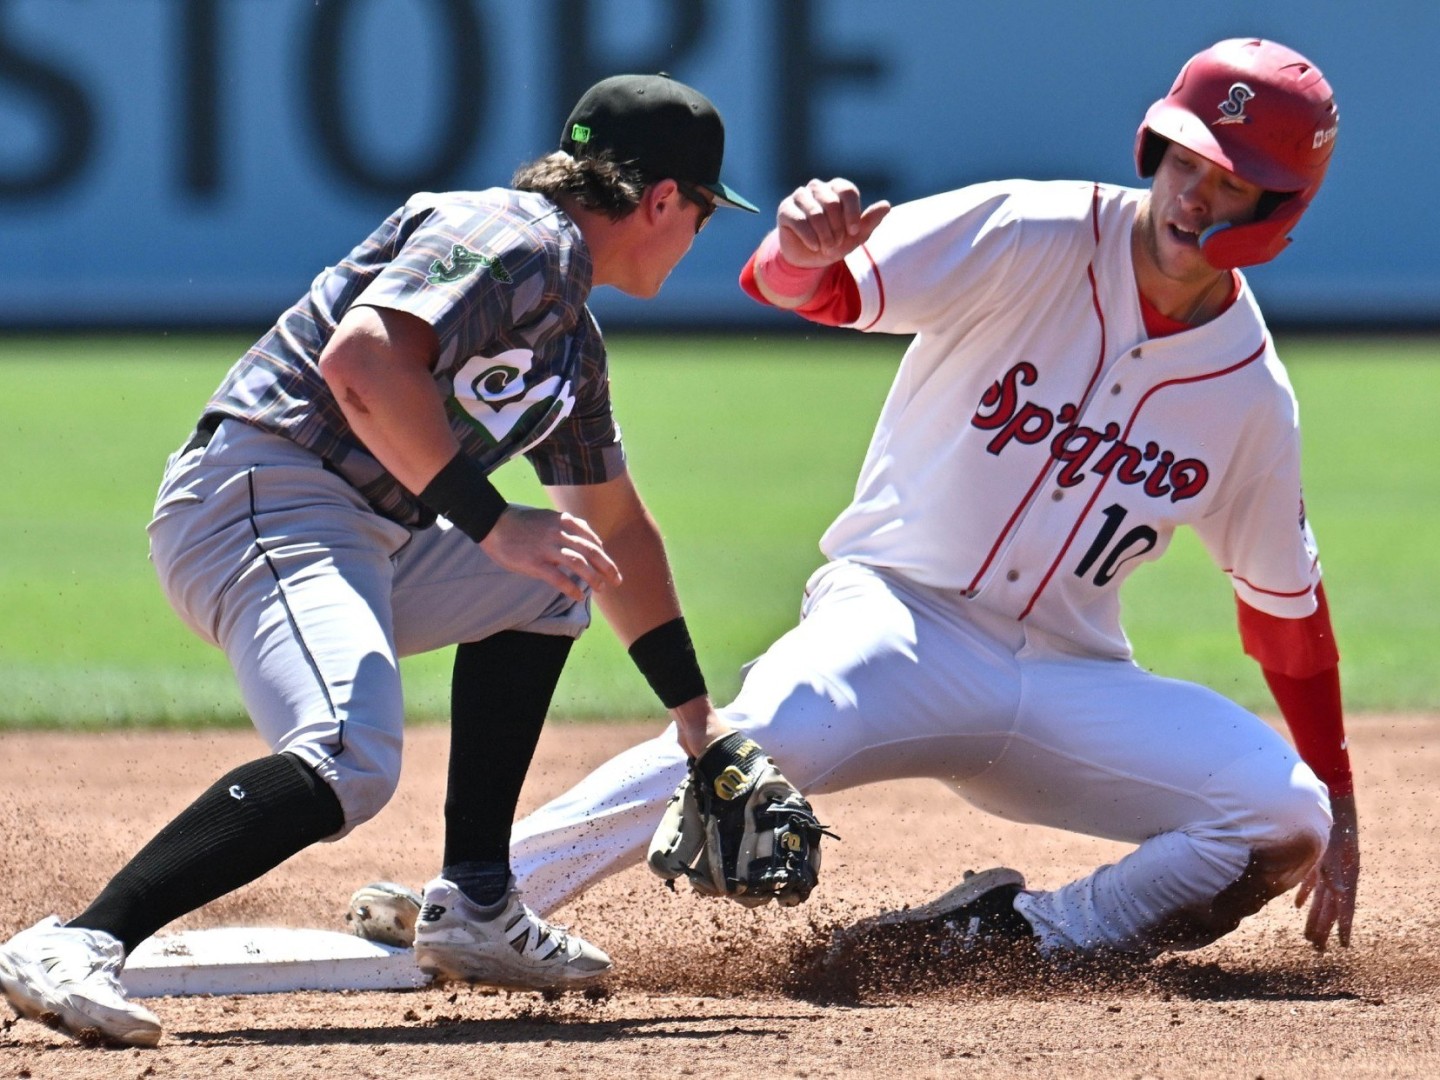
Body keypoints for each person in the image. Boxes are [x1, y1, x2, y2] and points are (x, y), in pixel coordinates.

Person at [499, 38, 1360, 973]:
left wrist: (1341, 797)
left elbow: (1285, 612)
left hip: (1071, 680)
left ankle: (1009, 939)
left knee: (1286, 818)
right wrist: (797, 249)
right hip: (896, 623)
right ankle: (482, 890)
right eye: (1185, 159)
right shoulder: (1033, 228)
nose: (1192, 193)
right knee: (761, 735)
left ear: (1278, 208)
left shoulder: (1249, 394)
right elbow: (804, 287)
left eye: (1228, 180)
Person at [0, 72, 758, 1047]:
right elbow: (360, 363)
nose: (699, 232)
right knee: (351, 755)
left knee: (557, 579)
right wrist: (493, 523)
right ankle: (77, 941)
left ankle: (479, 904)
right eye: (701, 211)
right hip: (264, 492)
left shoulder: (571, 339)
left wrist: (698, 721)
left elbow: (615, 529)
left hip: (360, 525)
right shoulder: (514, 234)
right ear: (661, 200)